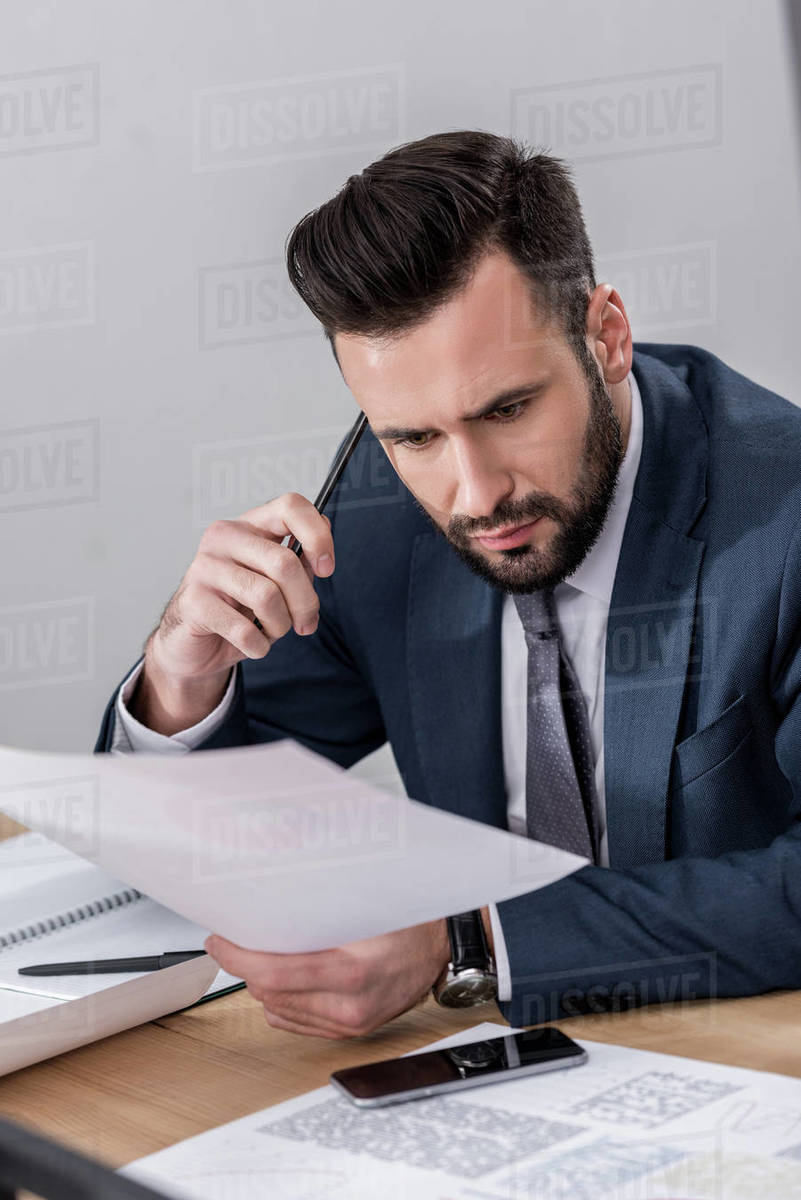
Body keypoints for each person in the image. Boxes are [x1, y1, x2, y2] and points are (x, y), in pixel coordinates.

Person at [97, 130, 801, 1039]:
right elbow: (197, 833)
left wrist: (469, 943)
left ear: (607, 337)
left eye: (506, 411)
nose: (474, 496)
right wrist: (180, 682)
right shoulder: (379, 509)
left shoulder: (780, 518)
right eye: (413, 438)